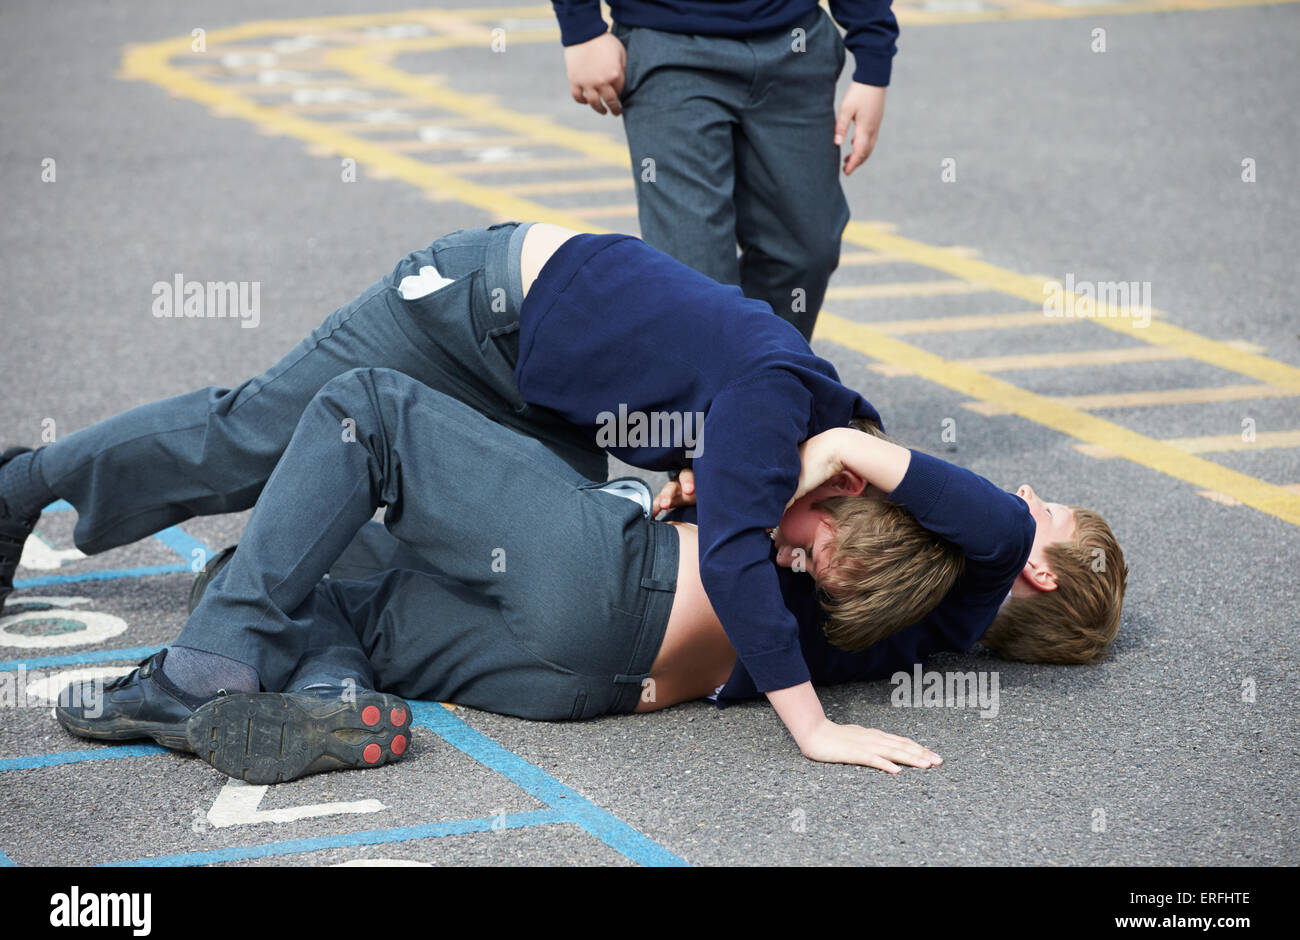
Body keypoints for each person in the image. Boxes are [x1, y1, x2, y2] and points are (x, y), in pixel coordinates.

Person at [0, 220, 1123, 769]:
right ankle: (329, 687)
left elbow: (758, 542)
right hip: (496, 341)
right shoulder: (912, 610)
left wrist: (812, 724)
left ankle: (45, 509)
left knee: (327, 427)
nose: (1026, 491)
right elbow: (749, 526)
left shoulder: (812, 434)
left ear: (1024, 558)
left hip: (530, 395)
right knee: (295, 523)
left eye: (1043, 509)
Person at [51, 372, 963, 782]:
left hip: (612, 581)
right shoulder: (904, 614)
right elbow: (993, 549)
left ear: (855, 488)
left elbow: (990, 534)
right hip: (581, 687)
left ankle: (193, 678)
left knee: (366, 408)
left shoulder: (831, 510)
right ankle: (332, 692)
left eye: (808, 556)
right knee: (273, 571)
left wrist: (836, 448)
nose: (785, 552)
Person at [553, 0, 898, 338]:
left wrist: (873, 59)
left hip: (796, 43)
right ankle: (725, 388)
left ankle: (766, 376)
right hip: (667, 45)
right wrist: (581, 28)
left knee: (806, 252)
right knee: (696, 274)